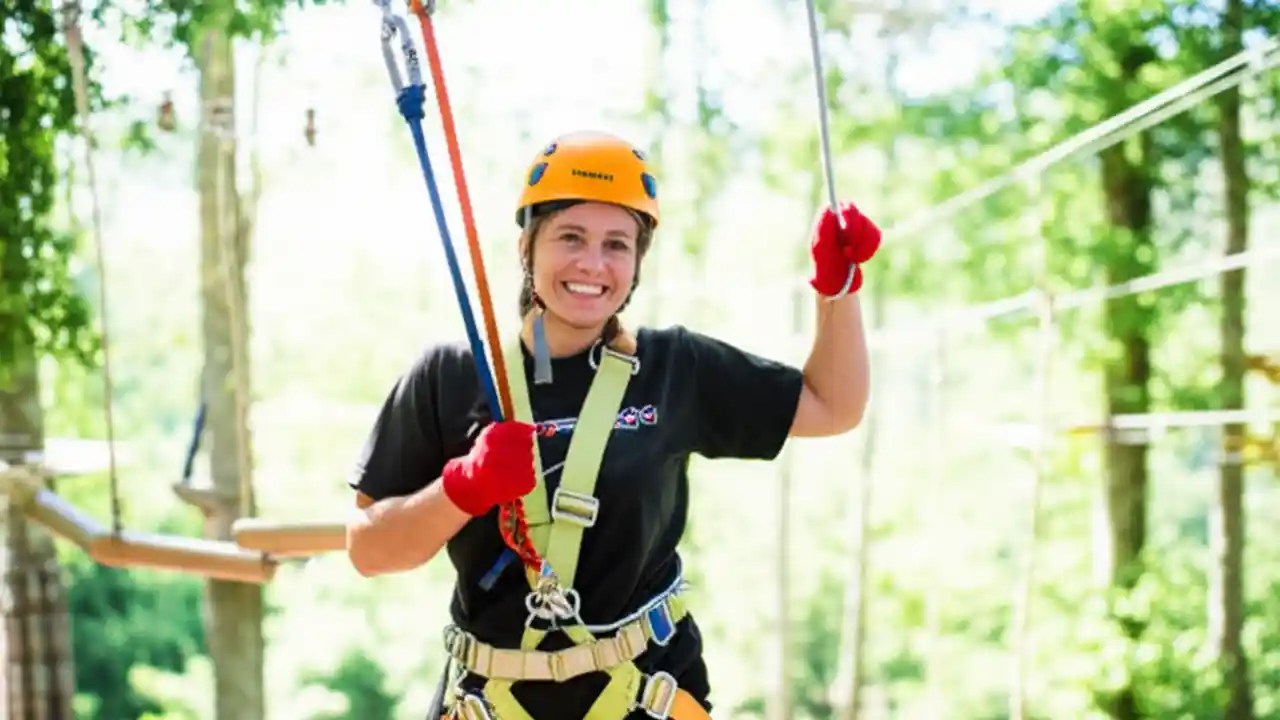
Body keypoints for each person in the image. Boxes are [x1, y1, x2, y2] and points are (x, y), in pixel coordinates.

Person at [344, 130, 880, 720]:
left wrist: (839, 289)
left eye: (617, 245)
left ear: (637, 262)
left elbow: (833, 406)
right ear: (526, 246)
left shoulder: (674, 368)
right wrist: (461, 488)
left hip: (644, 693)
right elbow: (369, 550)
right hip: (492, 701)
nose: (592, 264)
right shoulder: (453, 376)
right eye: (569, 237)